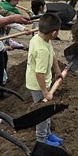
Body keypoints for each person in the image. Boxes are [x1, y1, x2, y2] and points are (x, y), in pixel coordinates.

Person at [27, 13, 63, 146]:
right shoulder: (41, 49)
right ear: (54, 33)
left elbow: (52, 54)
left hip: (43, 82)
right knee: (42, 113)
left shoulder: (41, 39)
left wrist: (57, 70)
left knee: (47, 111)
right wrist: (45, 92)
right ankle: (41, 140)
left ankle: (48, 134)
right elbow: (39, 73)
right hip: (37, 85)